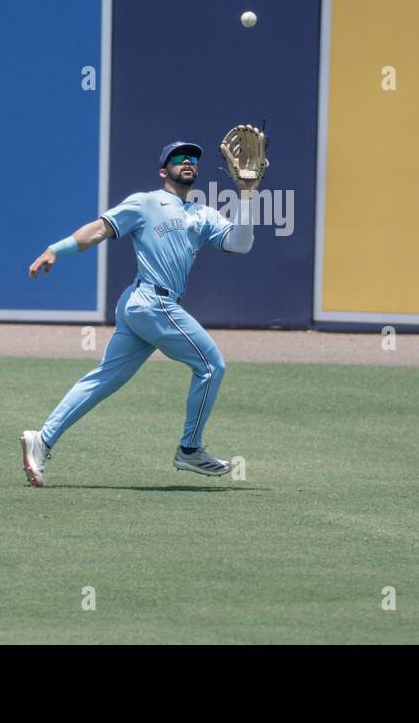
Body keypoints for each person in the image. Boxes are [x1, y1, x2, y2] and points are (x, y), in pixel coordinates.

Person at [20, 140, 258, 487]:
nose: (188, 161)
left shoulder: (201, 214)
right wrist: (55, 249)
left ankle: (41, 440)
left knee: (104, 380)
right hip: (151, 301)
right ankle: (190, 449)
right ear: (164, 170)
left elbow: (241, 244)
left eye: (193, 158)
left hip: (142, 307)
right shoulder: (146, 202)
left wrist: (248, 195)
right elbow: (98, 230)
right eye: (178, 158)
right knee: (210, 365)